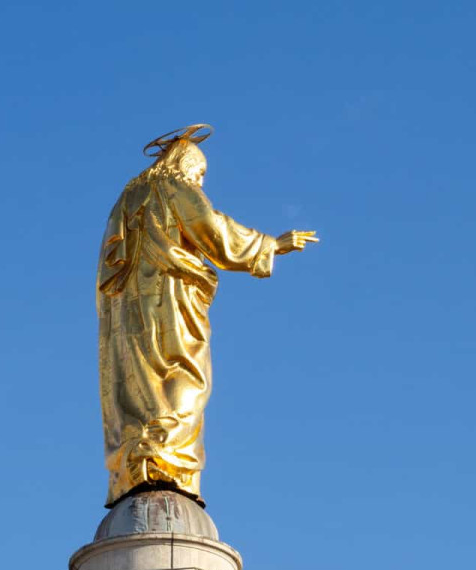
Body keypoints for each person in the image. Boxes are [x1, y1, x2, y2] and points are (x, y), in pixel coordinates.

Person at [96, 125, 318, 505]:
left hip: (129, 309)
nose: (198, 181)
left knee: (140, 381)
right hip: (172, 296)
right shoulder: (173, 186)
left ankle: (137, 462)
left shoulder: (127, 199)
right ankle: (168, 458)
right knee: (184, 373)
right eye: (199, 174)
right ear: (185, 166)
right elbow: (211, 228)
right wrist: (271, 245)